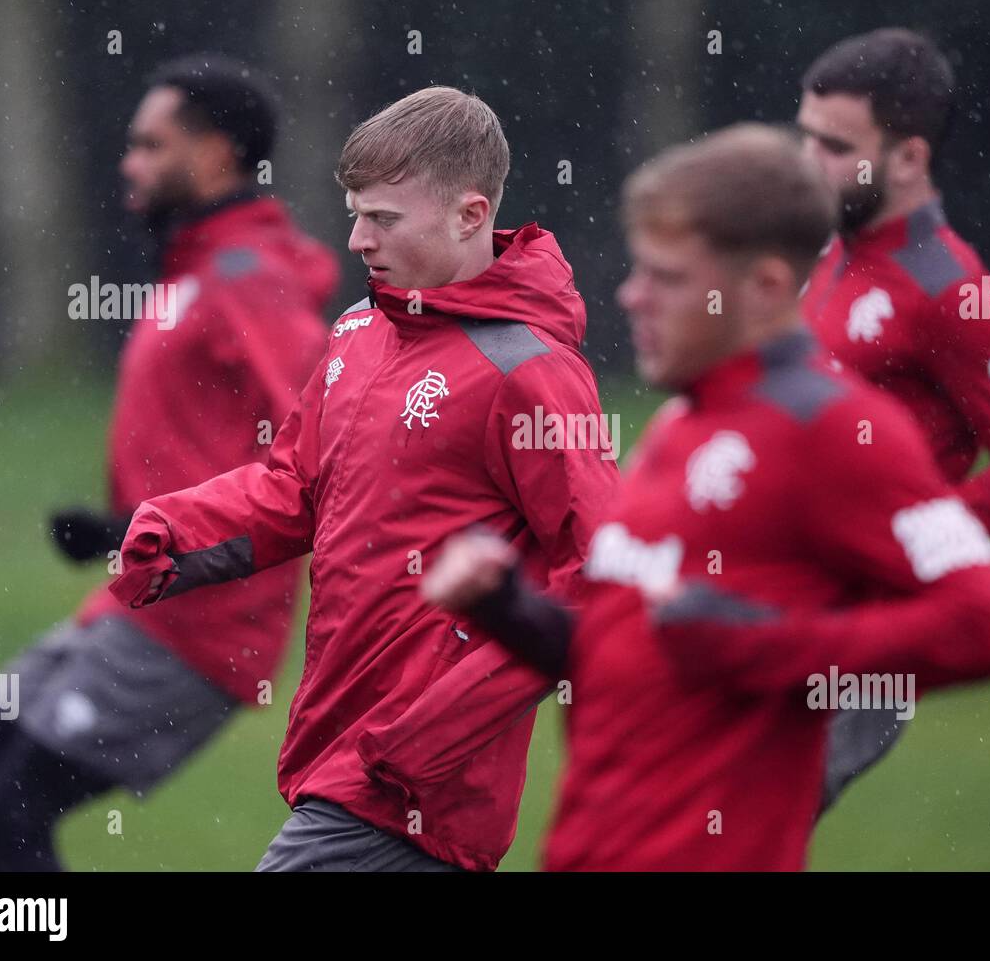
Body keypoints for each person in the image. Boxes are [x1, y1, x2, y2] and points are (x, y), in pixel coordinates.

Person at [423, 123, 990, 870]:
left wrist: (768, 649)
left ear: (766, 288)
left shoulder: (838, 428)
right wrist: (507, 608)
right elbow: (635, 652)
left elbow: (986, 627)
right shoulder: (684, 421)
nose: (631, 295)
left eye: (667, 277)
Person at [108, 86, 620, 872]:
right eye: (354, 213)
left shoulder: (531, 371)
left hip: (414, 786)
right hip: (340, 747)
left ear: (470, 215)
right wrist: (171, 530)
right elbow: (294, 488)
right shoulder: (359, 330)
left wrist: (437, 728)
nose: (355, 239)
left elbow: (598, 578)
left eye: (382, 219)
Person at [0, 54, 339, 870]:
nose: (130, 162)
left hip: (199, 624)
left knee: (7, 807)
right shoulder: (196, 270)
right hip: (130, 605)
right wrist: (123, 529)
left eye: (151, 144)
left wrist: (173, 537)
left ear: (217, 155)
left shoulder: (247, 277)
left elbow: (317, 440)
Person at [795, 29, 990, 805]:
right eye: (805, 136)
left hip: (870, 634)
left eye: (833, 145)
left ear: (909, 158)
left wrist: (898, 544)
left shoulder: (955, 289)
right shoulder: (834, 250)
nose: (808, 160)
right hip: (792, 603)